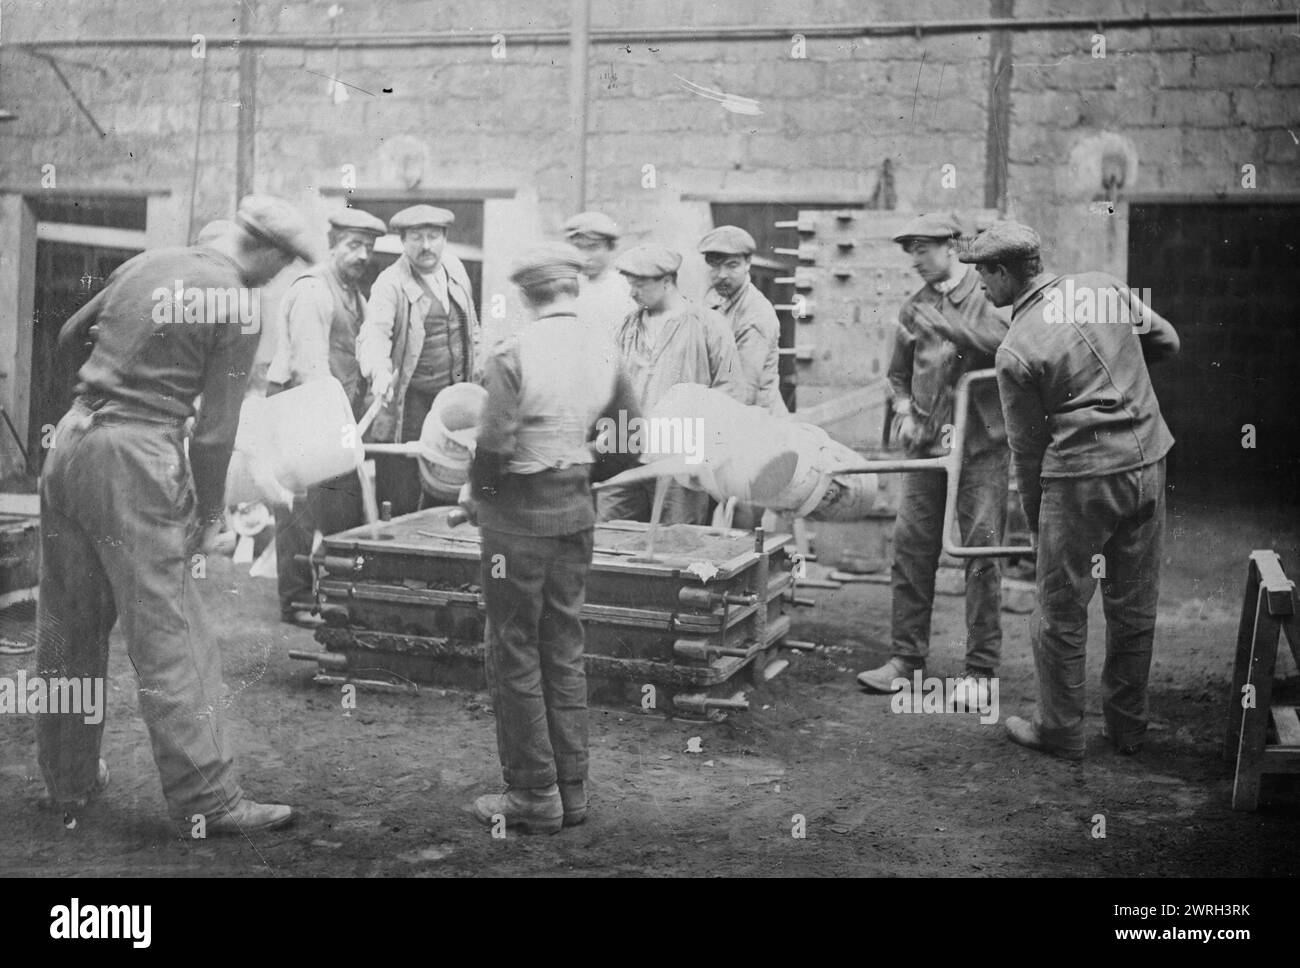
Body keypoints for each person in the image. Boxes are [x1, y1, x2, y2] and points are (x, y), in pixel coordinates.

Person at [36, 195, 315, 833]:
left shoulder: (148, 263)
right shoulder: (242, 302)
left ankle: (68, 782)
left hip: (73, 440)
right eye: (284, 261)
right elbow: (216, 434)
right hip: (137, 456)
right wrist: (210, 514)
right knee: (170, 631)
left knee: (68, 624)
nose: (278, 275)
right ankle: (208, 800)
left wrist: (87, 405)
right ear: (267, 251)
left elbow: (66, 336)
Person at [961, 220, 1181, 760]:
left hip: (1080, 480)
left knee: (1060, 609)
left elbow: (1027, 451)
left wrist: (1039, 526)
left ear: (1006, 271)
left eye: (983, 275)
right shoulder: (1103, 287)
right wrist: (1119, 377)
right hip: (1149, 459)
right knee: (1134, 604)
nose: (981, 289)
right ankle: (1128, 729)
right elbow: (1168, 341)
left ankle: (1060, 730)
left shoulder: (1015, 349)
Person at [460, 242, 643, 834]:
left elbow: (493, 447)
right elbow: (628, 444)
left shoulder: (511, 354)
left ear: (525, 295)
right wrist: (580, 474)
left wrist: (478, 496)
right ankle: (573, 787)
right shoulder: (606, 352)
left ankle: (534, 794)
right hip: (575, 516)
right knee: (564, 647)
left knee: (513, 650)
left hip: (516, 525)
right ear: (574, 289)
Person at [857, 214, 1011, 710]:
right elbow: (897, 376)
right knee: (911, 547)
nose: (918, 259)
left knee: (981, 552)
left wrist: (948, 326)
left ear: (952, 247)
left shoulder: (989, 296)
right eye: (912, 250)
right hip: (926, 449)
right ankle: (906, 661)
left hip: (980, 447)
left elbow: (1003, 347)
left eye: (925, 248)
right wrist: (903, 410)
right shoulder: (914, 307)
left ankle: (981, 673)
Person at [266, 207, 386, 627]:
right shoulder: (314, 291)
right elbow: (309, 366)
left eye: (368, 248)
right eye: (353, 245)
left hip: (330, 407)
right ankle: (296, 600)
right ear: (333, 245)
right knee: (298, 503)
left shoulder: (356, 296)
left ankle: (334, 593)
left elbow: (368, 344)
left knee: (340, 502)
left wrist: (378, 377)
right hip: (300, 403)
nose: (362, 256)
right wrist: (333, 427)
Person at [595, 243, 740, 526]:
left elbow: (730, 390)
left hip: (680, 460)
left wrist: (708, 451)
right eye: (630, 284)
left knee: (679, 544)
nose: (632, 292)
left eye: (639, 285)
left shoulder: (707, 324)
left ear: (666, 281)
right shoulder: (627, 327)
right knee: (609, 536)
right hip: (625, 453)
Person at [357, 204, 480, 516]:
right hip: (410, 404)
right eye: (416, 237)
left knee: (451, 483)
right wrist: (380, 371)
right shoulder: (390, 283)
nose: (426, 246)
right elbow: (375, 334)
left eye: (433, 236)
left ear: (445, 238)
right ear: (402, 240)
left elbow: (472, 329)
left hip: (451, 404)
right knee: (403, 488)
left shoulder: (455, 269)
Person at [699, 225, 784, 414]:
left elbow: (744, 391)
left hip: (759, 421)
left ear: (748, 263)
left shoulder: (756, 315)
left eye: (732, 265)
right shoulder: (715, 297)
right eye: (714, 265)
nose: (721, 275)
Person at [564, 210, 636, 341]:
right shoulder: (566, 287)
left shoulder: (625, 288)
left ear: (611, 247)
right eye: (578, 247)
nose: (585, 256)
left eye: (593, 247)